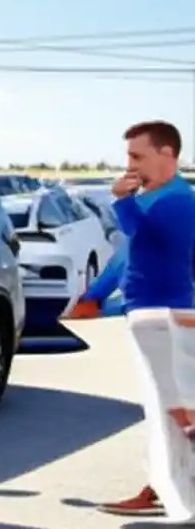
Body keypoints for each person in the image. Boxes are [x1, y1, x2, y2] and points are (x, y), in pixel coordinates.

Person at [67, 121, 195, 519]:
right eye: (128, 156)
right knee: (167, 409)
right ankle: (162, 486)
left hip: (169, 314)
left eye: (137, 156)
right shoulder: (153, 198)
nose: (130, 165)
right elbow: (128, 258)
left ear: (167, 154)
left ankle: (172, 493)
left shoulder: (177, 202)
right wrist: (94, 299)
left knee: (174, 409)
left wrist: (122, 203)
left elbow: (162, 249)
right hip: (150, 312)